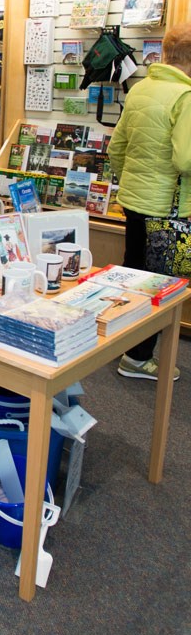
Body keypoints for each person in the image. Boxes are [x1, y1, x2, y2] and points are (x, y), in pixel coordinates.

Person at [107, 21, 191, 381]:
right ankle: (139, 359)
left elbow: (116, 149)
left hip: (135, 202)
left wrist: (131, 185)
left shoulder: (141, 90)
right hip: (171, 211)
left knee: (133, 274)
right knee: (167, 286)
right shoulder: (185, 98)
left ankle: (123, 343)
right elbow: (186, 160)